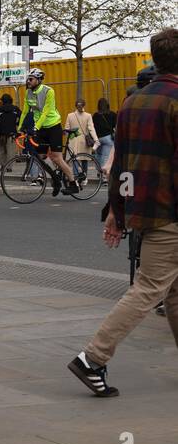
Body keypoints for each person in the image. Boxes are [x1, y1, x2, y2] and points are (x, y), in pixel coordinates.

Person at [69, 29, 178, 397]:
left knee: (174, 293)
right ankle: (93, 358)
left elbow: (122, 166)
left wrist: (116, 209)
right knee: (148, 288)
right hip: (172, 213)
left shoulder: (132, 103)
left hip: (145, 208)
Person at [21, 68, 78, 194]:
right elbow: (25, 111)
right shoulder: (28, 92)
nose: (28, 81)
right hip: (41, 127)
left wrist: (35, 128)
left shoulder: (49, 91)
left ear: (39, 80)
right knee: (40, 157)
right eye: (28, 79)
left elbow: (46, 111)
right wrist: (20, 128)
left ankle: (73, 183)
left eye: (31, 79)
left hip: (53, 126)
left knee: (57, 158)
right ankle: (55, 177)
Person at [93, 97, 117, 173]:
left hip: (98, 138)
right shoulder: (112, 114)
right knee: (106, 157)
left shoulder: (95, 115)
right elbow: (115, 126)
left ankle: (98, 172)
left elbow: (93, 127)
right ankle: (104, 175)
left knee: (98, 155)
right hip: (108, 138)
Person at [0, 93, 20, 162]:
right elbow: (21, 117)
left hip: (1, 133)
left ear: (3, 101)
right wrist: (17, 124)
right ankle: (9, 166)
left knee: (2, 150)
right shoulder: (15, 109)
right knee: (11, 150)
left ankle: (3, 165)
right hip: (12, 132)